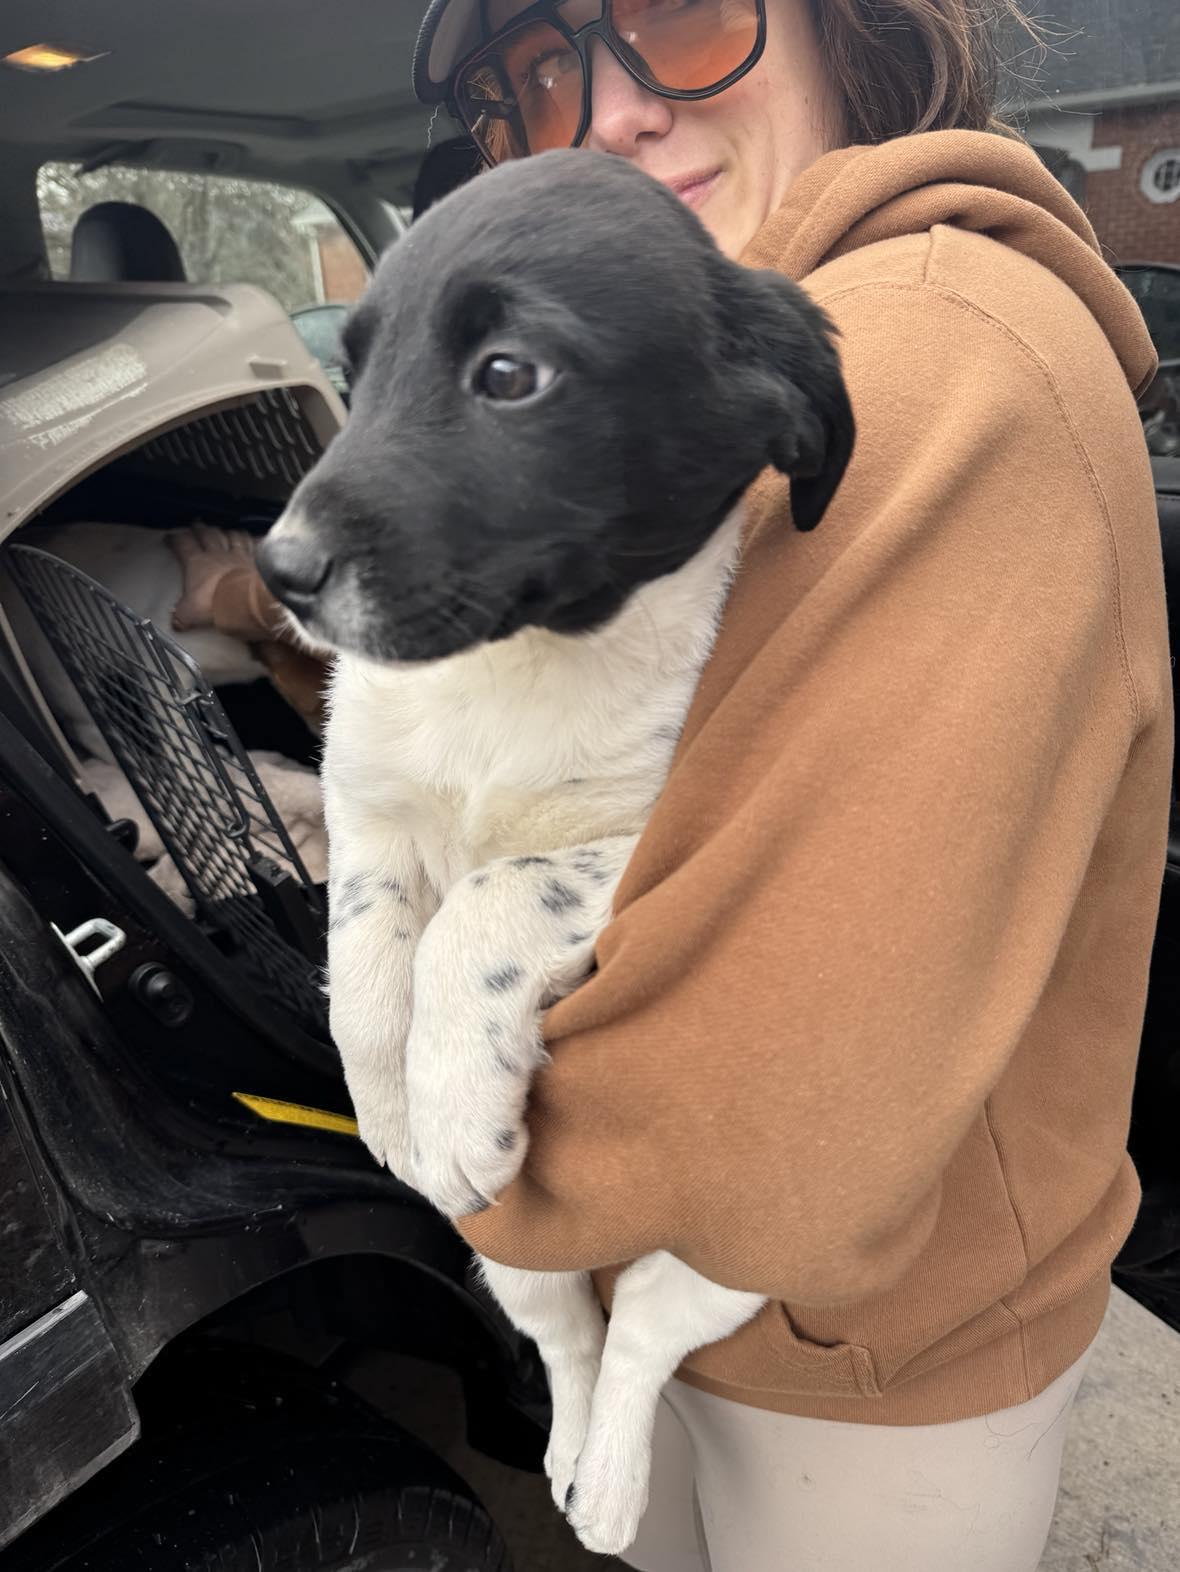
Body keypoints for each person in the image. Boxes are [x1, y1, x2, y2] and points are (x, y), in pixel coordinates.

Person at [176, 2, 1171, 1567]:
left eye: (682, 18)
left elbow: (775, 1116)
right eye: (539, 76)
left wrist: (459, 1153)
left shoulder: (930, 347)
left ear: (857, 24)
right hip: (706, 1298)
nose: (610, 113)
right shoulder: (707, 367)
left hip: (870, 1354)